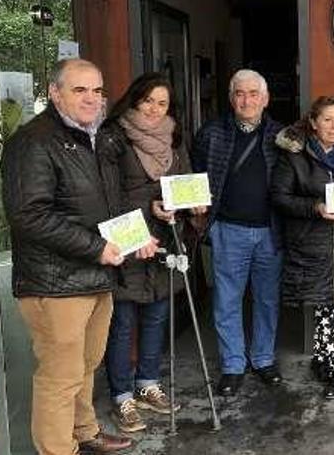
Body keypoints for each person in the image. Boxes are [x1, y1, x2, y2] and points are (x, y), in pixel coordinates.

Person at [1, 58, 156, 454]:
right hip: (56, 284)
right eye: (79, 89)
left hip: (94, 277)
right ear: (55, 93)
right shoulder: (33, 141)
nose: (91, 98)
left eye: (97, 90)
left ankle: (84, 433)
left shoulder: (95, 138)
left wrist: (135, 237)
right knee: (59, 378)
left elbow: (107, 204)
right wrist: (98, 248)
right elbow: (29, 215)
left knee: (85, 367)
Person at [101, 73, 203, 432]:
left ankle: (147, 384)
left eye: (161, 103)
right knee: (123, 323)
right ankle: (121, 396)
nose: (154, 109)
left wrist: (190, 207)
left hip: (165, 244)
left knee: (158, 318)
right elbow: (107, 197)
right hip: (128, 243)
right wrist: (148, 215)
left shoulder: (174, 138)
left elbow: (184, 183)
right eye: (148, 101)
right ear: (134, 100)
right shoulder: (114, 137)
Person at [272, 96, 334, 398]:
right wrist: (316, 207)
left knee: (328, 303)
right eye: (327, 119)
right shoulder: (295, 155)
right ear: (313, 123)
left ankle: (327, 361)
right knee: (323, 304)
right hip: (309, 244)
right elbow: (280, 196)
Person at [192, 69, 284, 396]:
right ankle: (232, 365)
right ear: (232, 98)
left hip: (270, 231)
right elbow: (194, 176)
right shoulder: (212, 133)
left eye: (253, 94)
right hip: (228, 229)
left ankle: (262, 359)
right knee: (227, 300)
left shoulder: (281, 136)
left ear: (265, 98)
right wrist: (197, 209)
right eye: (240, 94)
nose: (247, 100)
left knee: (267, 300)